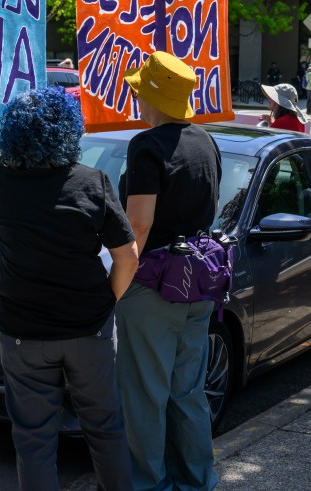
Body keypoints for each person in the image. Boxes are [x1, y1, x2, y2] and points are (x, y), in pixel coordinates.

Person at [0, 87, 138, 491]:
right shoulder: (92, 182)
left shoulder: (2, 180)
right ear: (70, 131)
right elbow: (128, 257)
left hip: (23, 333)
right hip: (87, 328)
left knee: (34, 439)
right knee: (106, 428)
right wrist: (108, 302)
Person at [115, 51, 222, 491]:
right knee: (187, 393)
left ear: (153, 96)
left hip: (153, 285)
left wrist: (117, 283)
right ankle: (198, 482)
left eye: (141, 91)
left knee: (144, 397)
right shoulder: (205, 141)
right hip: (198, 280)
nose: (137, 98)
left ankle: (149, 485)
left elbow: (138, 224)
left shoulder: (147, 145)